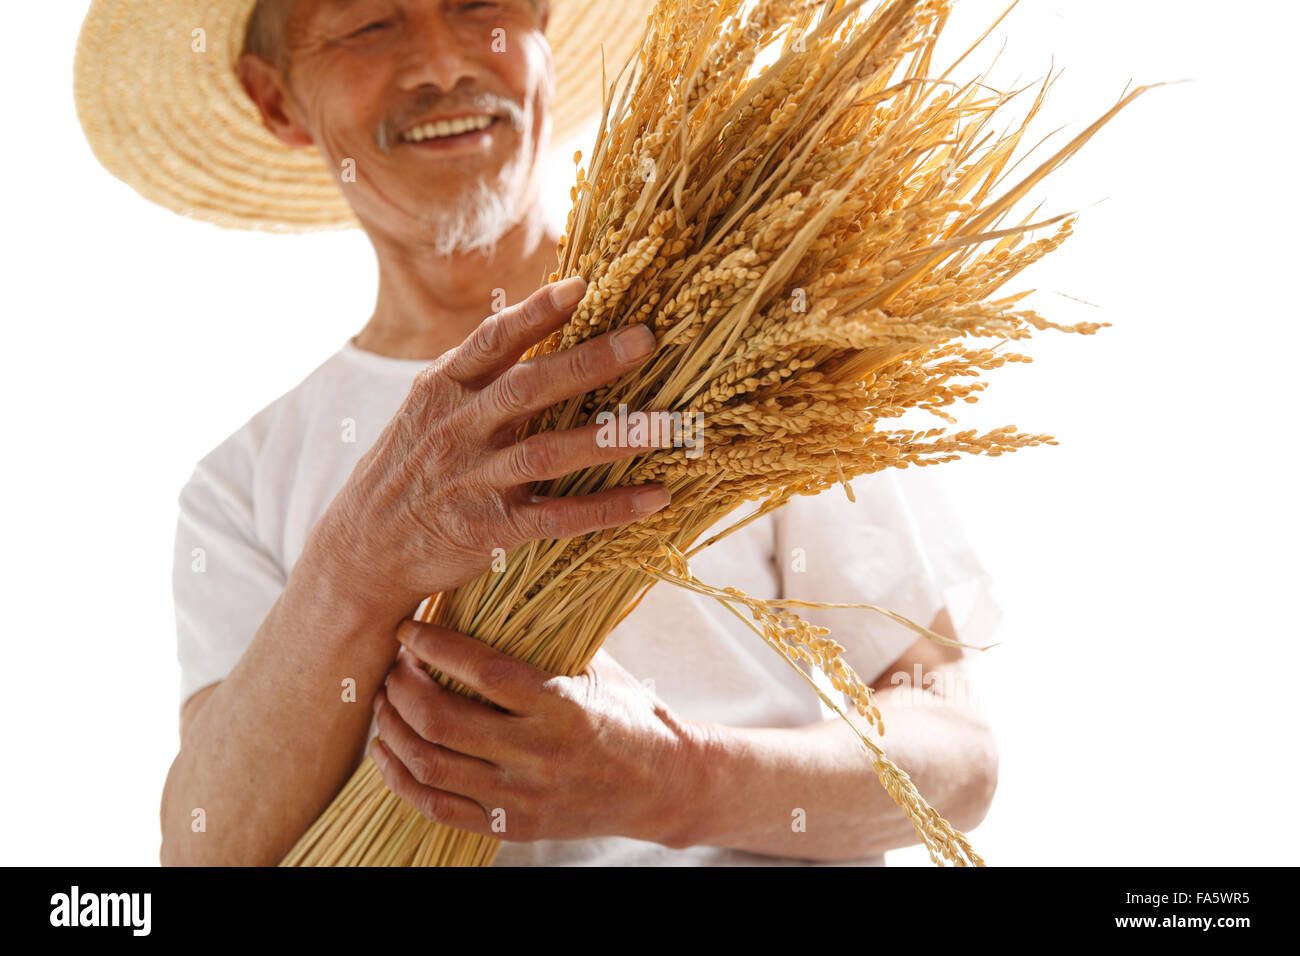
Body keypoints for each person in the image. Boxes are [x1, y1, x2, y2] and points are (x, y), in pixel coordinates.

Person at [75, 0, 1000, 866]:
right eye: (366, 22)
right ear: (276, 100)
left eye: (482, 0)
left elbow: (954, 748)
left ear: (545, 23)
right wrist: (357, 562)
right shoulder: (242, 483)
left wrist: (676, 782)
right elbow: (204, 844)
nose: (441, 63)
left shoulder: (737, 341)